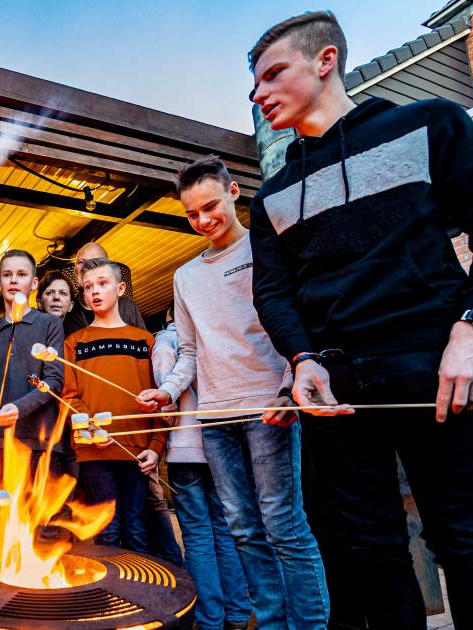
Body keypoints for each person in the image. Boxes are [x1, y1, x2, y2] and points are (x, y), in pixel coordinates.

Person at [247, 11, 473, 629]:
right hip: (337, 394)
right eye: (253, 85)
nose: (258, 93)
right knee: (368, 553)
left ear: (325, 60)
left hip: (438, 373)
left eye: (274, 74)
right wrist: (301, 360)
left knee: (466, 542)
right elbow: (275, 295)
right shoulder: (271, 196)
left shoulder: (428, 123)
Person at [140, 156, 329, 629]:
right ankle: (269, 623)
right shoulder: (184, 276)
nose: (204, 220)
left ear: (234, 192)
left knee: (284, 527)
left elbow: (293, 326)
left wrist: (289, 389)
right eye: (192, 214)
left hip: (269, 407)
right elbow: (187, 350)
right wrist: (166, 392)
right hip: (214, 418)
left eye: (210, 206)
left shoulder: (266, 251)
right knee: (243, 530)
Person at [153, 309, 253, 630]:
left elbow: (165, 395)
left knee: (197, 535)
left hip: (186, 450)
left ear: (171, 313)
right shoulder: (216, 335)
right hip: (223, 444)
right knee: (226, 531)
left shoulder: (167, 340)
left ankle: (210, 619)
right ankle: (238, 614)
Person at [62, 258, 165, 551]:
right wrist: (90, 424)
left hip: (137, 451)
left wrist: (156, 448)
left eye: (102, 283)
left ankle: (137, 596)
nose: (94, 291)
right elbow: (68, 396)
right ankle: (109, 598)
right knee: (107, 532)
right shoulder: (74, 342)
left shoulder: (145, 341)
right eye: (87, 287)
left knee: (136, 529)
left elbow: (160, 399)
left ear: (120, 289)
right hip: (93, 450)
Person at [0, 250, 68, 473]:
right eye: (7, 275)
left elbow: (54, 380)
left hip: (41, 441)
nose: (14, 280)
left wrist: (18, 407)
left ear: (34, 283)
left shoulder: (50, 324)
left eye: (21, 274)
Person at [63, 242, 146, 335]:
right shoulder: (66, 310)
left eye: (94, 261)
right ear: (74, 268)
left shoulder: (127, 307)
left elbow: (145, 344)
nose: (85, 267)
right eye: (81, 262)